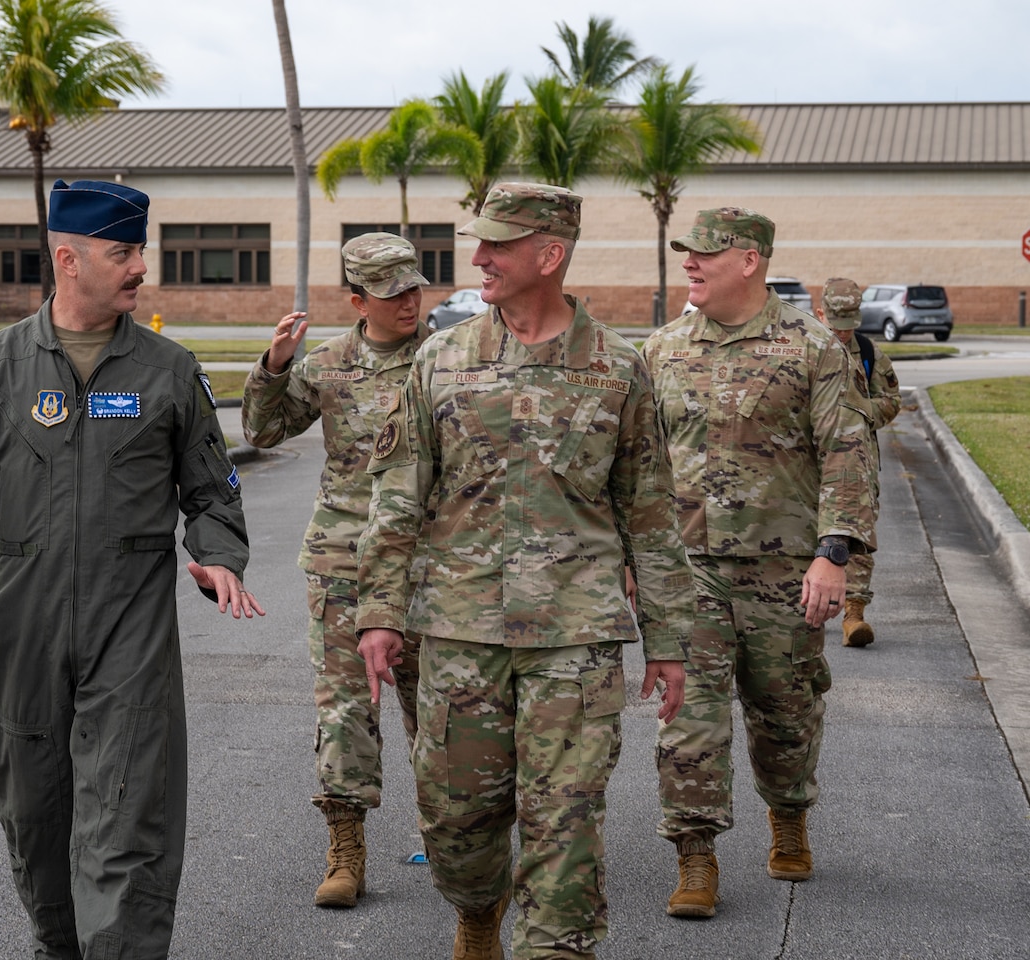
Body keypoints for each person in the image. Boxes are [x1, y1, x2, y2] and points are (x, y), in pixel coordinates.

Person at [0, 179, 264, 959]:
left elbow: (213, 487)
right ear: (69, 258)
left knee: (126, 819)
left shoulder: (168, 370)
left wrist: (217, 555)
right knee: (34, 813)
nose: (139, 268)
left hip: (131, 624)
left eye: (137, 251)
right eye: (122, 253)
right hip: (22, 624)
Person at [355, 182, 695, 960]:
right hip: (458, 633)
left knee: (565, 825)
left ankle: (554, 943)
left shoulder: (618, 369)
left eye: (498, 245)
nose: (477, 257)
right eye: (480, 242)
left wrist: (670, 640)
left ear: (550, 254)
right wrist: (378, 615)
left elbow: (651, 514)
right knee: (457, 827)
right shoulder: (442, 360)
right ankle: (478, 909)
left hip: (576, 641)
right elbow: (397, 495)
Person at [643, 207, 877, 919]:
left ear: (749, 260)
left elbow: (847, 452)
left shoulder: (813, 348)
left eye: (704, 254)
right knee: (690, 719)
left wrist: (834, 552)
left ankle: (789, 812)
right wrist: (633, 554)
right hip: (689, 574)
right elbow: (638, 464)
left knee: (785, 716)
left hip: (784, 573)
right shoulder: (659, 349)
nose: (689, 264)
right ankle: (695, 857)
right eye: (685, 253)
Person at [240, 233, 430, 909]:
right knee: (347, 712)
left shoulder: (451, 359)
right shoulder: (329, 364)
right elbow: (263, 433)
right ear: (357, 301)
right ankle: (346, 849)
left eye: (414, 287)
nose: (410, 301)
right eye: (391, 293)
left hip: (434, 566)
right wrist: (273, 365)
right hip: (342, 562)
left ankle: (455, 835)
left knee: (442, 715)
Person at [815, 277, 902, 647]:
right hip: (810, 461)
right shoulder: (806, 350)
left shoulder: (869, 353)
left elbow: (891, 400)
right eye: (837, 324)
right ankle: (802, 609)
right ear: (821, 314)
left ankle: (854, 615)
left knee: (858, 534)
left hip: (858, 462)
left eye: (850, 325)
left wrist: (860, 411)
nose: (844, 332)